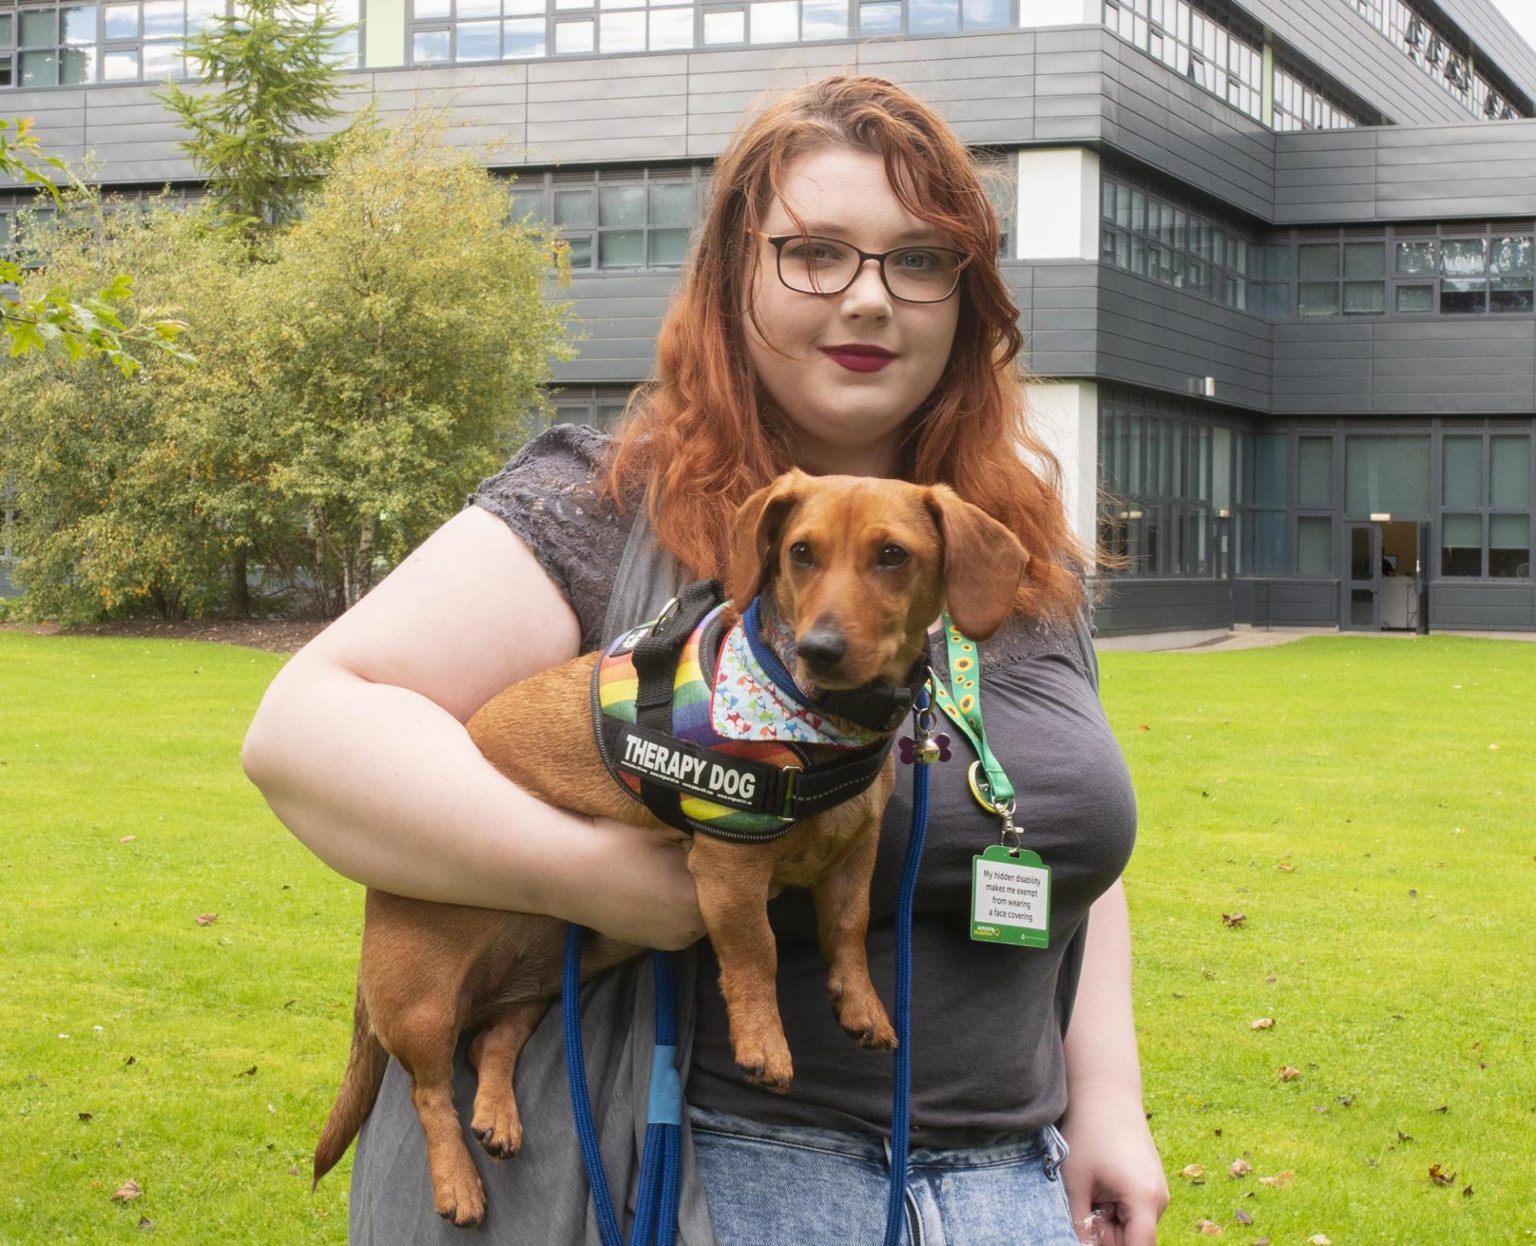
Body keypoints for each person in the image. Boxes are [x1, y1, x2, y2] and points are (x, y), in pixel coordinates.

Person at [243, 74, 1169, 1245]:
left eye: (919, 259)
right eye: (815, 253)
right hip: (707, 1179)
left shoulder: (1007, 558)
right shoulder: (603, 505)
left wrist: (1108, 1101)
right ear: (737, 277)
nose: (870, 299)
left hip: (1008, 1186)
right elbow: (305, 732)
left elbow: (1062, 834)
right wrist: (600, 878)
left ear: (967, 296)